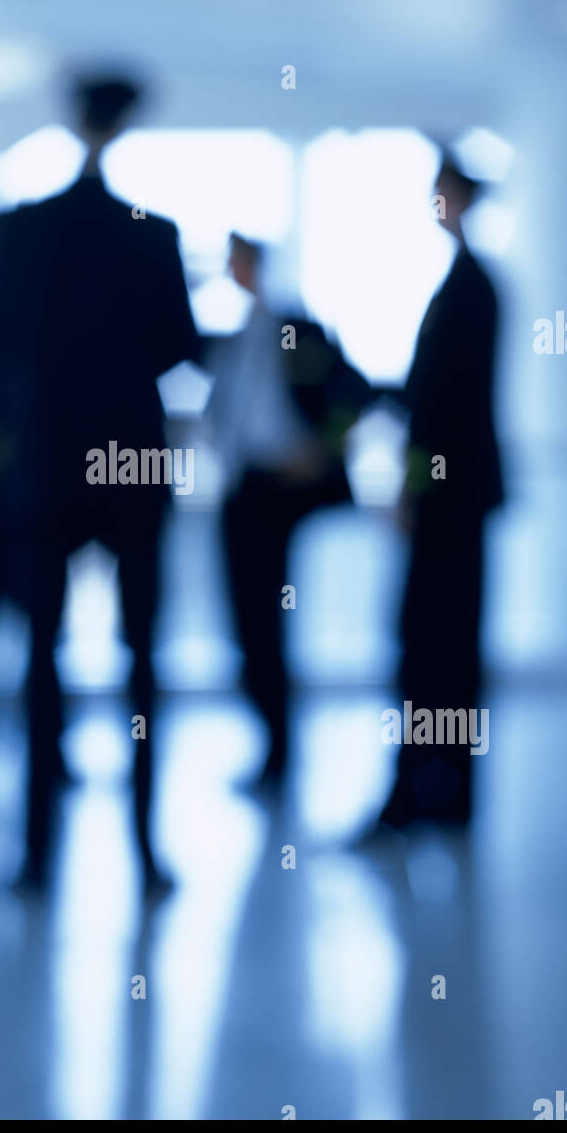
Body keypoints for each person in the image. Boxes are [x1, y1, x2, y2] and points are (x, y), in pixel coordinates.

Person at [0, 71, 200, 893]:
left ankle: (37, 853)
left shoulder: (22, 229)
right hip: (131, 467)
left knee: (42, 657)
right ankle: (144, 852)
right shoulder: (155, 234)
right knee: (142, 657)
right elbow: (180, 345)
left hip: (46, 467)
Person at [204, 233, 371, 789]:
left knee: (268, 621)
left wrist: (323, 452)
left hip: (281, 488)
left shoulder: (295, 330)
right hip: (241, 487)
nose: (234, 273)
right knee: (245, 620)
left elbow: (356, 394)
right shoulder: (230, 340)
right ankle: (270, 742)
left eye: (241, 262)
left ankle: (279, 752)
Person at [369, 153, 503, 835]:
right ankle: (438, 794)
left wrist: (413, 489)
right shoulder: (464, 286)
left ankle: (428, 793)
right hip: (455, 496)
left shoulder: (470, 290)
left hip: (451, 500)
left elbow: (444, 410)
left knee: (433, 646)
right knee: (438, 646)